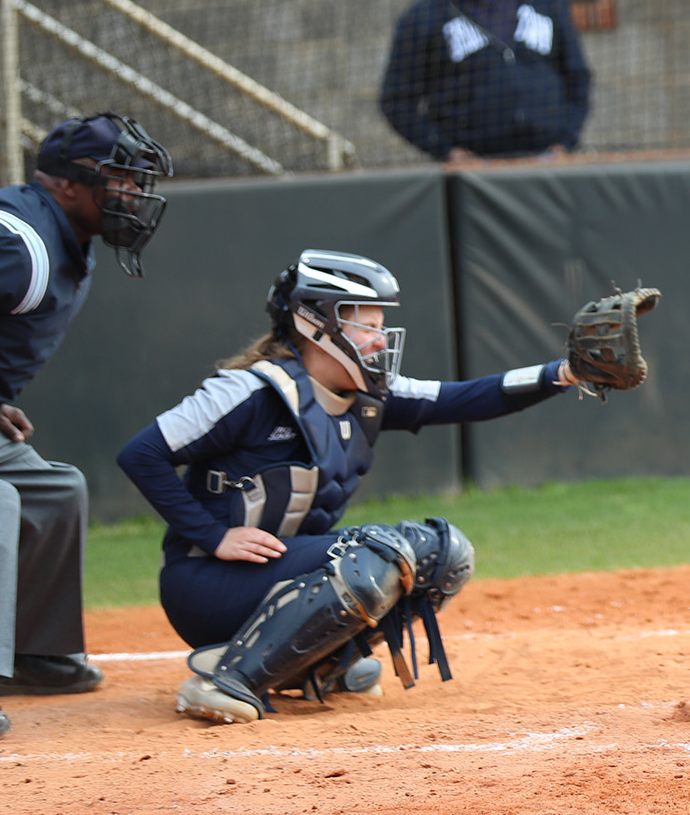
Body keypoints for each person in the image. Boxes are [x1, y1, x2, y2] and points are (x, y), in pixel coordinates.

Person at [115, 250, 651, 724]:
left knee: (444, 554)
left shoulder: (368, 394)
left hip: (271, 578)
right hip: (205, 587)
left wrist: (566, 372)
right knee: (378, 550)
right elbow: (141, 454)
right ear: (316, 324)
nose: (379, 339)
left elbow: (468, 397)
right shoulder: (250, 391)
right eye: (366, 325)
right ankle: (225, 680)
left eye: (380, 325)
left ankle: (317, 664)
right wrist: (212, 536)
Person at [0, 113, 171, 741]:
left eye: (137, 183)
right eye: (120, 180)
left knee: (54, 490)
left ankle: (29, 652)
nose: (133, 196)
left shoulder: (64, 240)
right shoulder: (16, 241)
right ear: (65, 183)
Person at [378, 0, 593, 163]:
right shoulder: (428, 13)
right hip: (474, 172)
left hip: (546, 162)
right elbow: (396, 101)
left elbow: (578, 75)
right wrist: (447, 151)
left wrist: (566, 141)